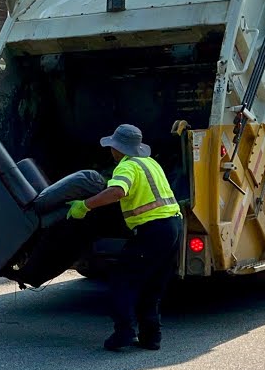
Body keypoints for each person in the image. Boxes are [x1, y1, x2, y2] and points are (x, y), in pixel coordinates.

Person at [66, 124, 182, 351]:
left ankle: (124, 333)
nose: (111, 150)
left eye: (112, 146)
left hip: (153, 230)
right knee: (152, 285)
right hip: (174, 226)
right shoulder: (151, 163)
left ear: (118, 148)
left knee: (122, 280)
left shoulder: (126, 166)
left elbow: (118, 191)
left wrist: (85, 205)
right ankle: (151, 338)